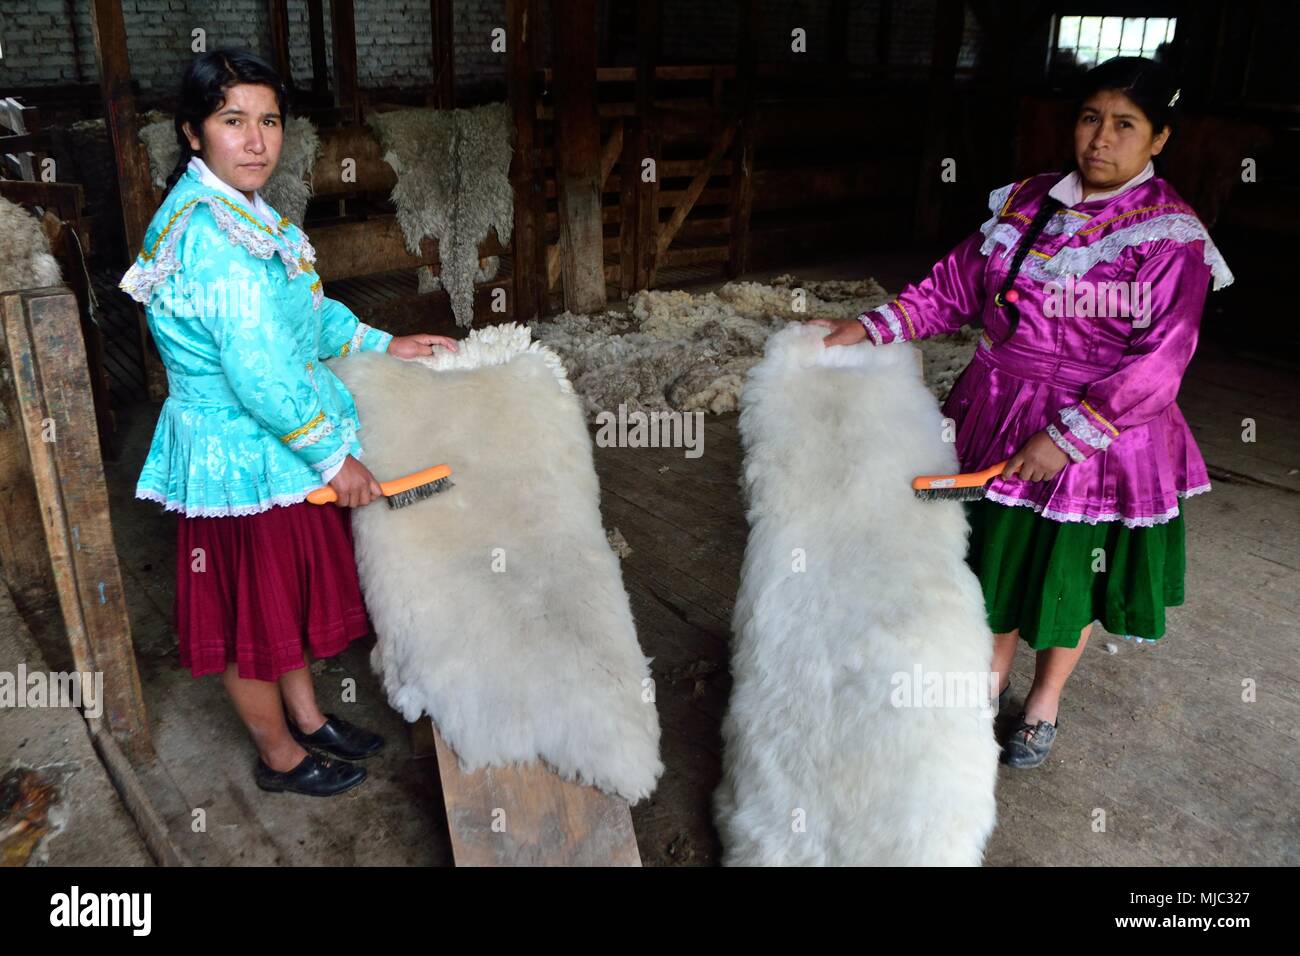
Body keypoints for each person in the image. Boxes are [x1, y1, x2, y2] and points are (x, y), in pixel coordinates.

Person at [812, 57, 1232, 769]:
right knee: (993, 562)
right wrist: (867, 327)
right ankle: (983, 688)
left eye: (1125, 125)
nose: (1101, 138)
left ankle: (1043, 704)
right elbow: (952, 289)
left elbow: (1162, 361)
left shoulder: (1169, 236)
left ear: (1159, 138)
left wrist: (1067, 440)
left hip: (1100, 434)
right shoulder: (1027, 202)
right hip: (997, 405)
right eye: (1090, 117)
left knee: (1070, 570)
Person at [120, 49, 458, 796]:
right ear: (193, 133)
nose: (256, 140)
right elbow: (261, 374)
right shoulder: (211, 236)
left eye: (268, 121)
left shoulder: (247, 214)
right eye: (232, 120)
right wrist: (337, 461)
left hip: (272, 453)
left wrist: (380, 341)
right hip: (239, 458)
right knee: (252, 622)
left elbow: (302, 313)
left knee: (279, 608)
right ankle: (278, 756)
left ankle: (306, 716)